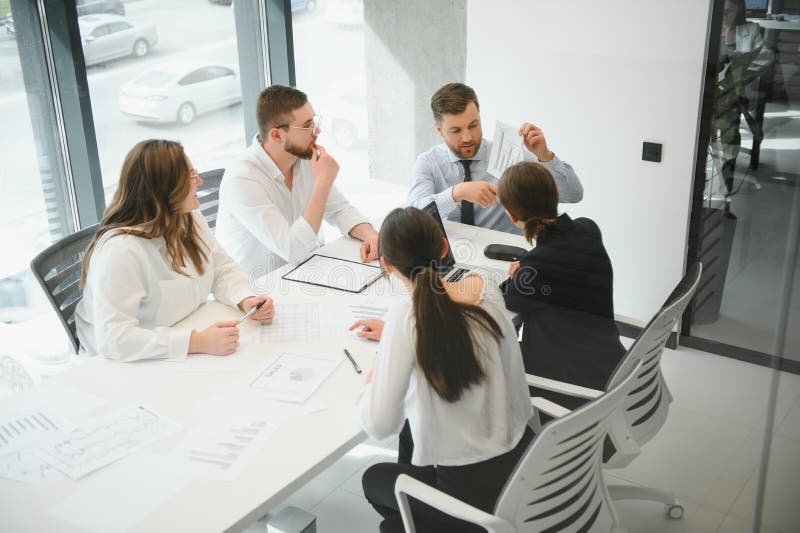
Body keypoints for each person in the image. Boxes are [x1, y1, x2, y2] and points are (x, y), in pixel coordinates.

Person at [351, 207, 534, 533]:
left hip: (469, 496)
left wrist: (376, 372)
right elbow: (452, 322)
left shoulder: (405, 319)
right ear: (444, 249)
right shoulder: (484, 286)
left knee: (374, 479)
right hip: (521, 462)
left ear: (387, 264)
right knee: (411, 435)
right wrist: (397, 336)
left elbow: (380, 425)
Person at [76, 140, 275, 363]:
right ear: (165, 191)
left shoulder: (185, 216)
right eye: (191, 177)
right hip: (126, 362)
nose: (199, 181)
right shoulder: (121, 252)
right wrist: (196, 342)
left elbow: (220, 268)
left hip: (182, 331)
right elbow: (114, 338)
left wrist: (245, 299)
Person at [498, 161, 625, 409]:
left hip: (570, 381)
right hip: (606, 360)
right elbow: (559, 265)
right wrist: (526, 266)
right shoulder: (589, 229)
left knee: (488, 361)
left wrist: (520, 273)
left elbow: (508, 299)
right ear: (556, 196)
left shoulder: (538, 266)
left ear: (512, 216)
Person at [215, 85, 380, 276]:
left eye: (315, 121)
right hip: (254, 291)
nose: (316, 131)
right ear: (277, 135)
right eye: (307, 125)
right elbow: (295, 252)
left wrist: (370, 235)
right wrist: (322, 183)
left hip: (297, 275)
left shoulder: (302, 158)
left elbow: (341, 210)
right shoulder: (242, 179)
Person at [408, 82, 583, 234]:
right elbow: (412, 218)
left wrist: (545, 156)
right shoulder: (428, 163)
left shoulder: (507, 152)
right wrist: (456, 193)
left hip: (507, 259)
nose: (468, 137)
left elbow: (573, 195)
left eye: (473, 125)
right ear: (440, 130)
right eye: (456, 131)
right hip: (454, 259)